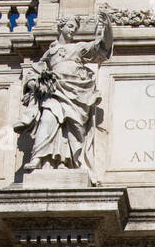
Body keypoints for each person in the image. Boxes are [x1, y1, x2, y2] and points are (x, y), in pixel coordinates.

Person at [15, 13, 112, 175]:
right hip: (54, 91)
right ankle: (39, 158)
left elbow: (103, 46)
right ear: (61, 27)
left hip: (76, 92)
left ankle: (67, 160)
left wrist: (107, 27)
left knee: (74, 127)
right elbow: (33, 73)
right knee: (47, 119)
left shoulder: (78, 48)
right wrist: (36, 84)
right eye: (70, 26)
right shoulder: (49, 53)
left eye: (75, 27)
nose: (72, 30)